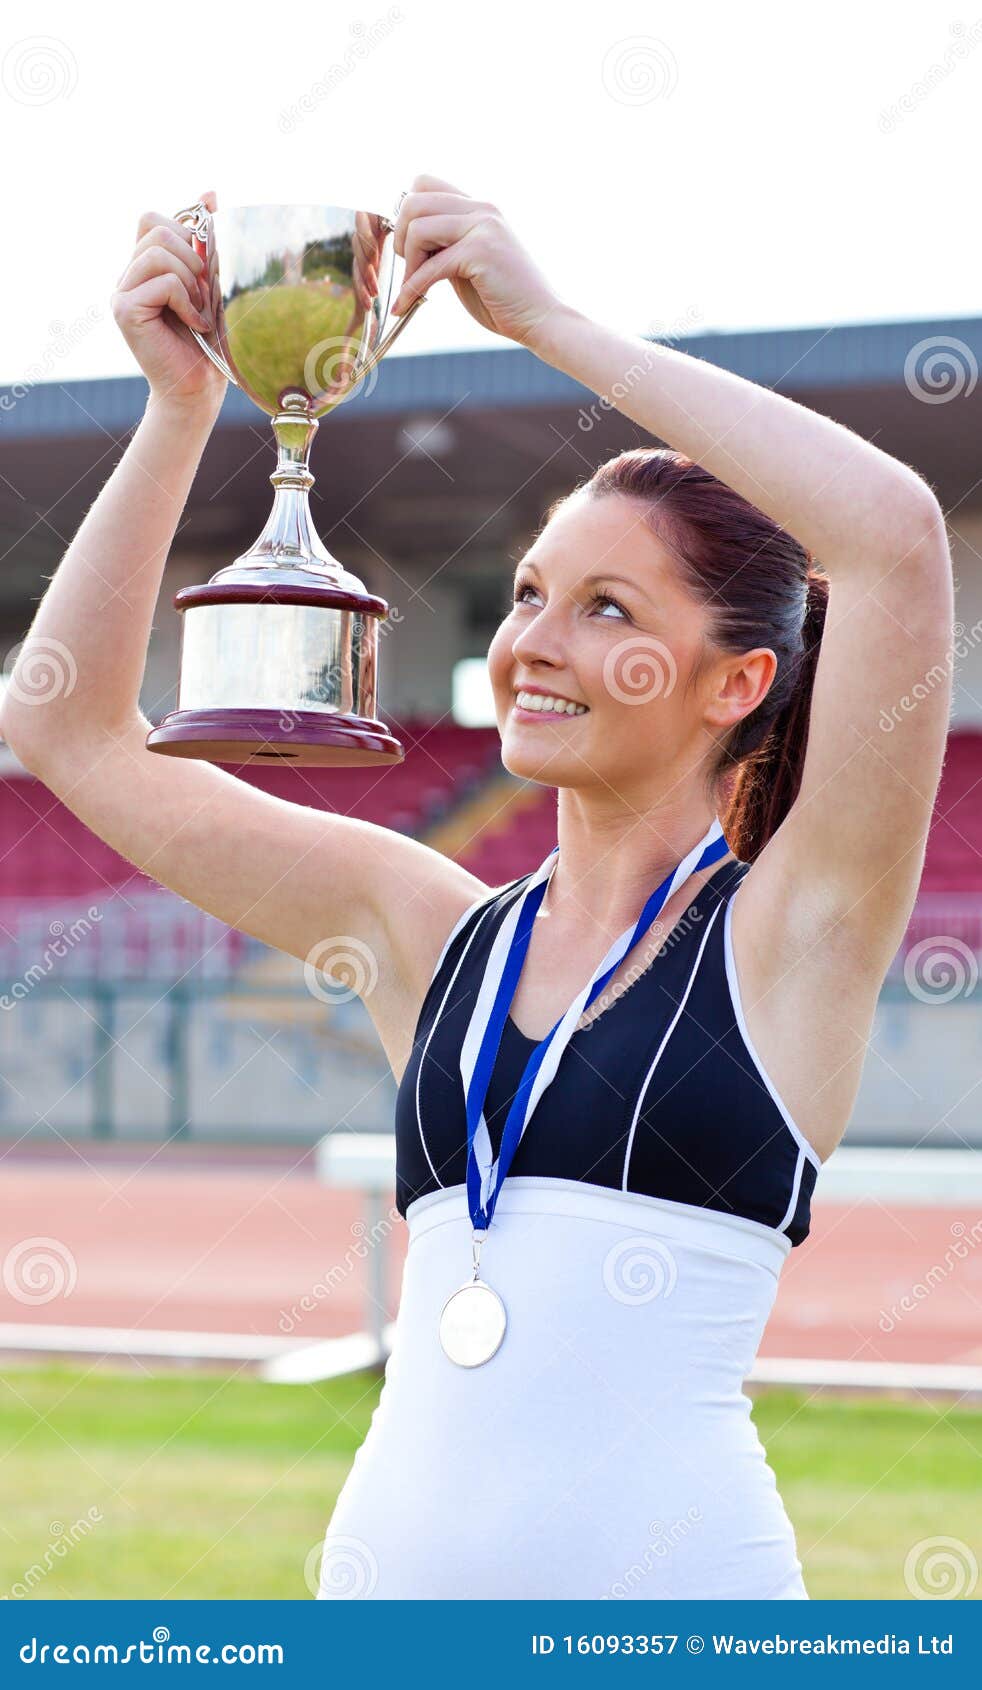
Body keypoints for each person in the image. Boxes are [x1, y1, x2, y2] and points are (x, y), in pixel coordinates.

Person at [1, 176, 953, 1601]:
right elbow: (66, 727)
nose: (532, 644)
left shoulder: (789, 930)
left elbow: (894, 538)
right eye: (522, 594)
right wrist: (180, 408)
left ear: (736, 682)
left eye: (605, 608)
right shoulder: (424, 926)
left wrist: (546, 325)